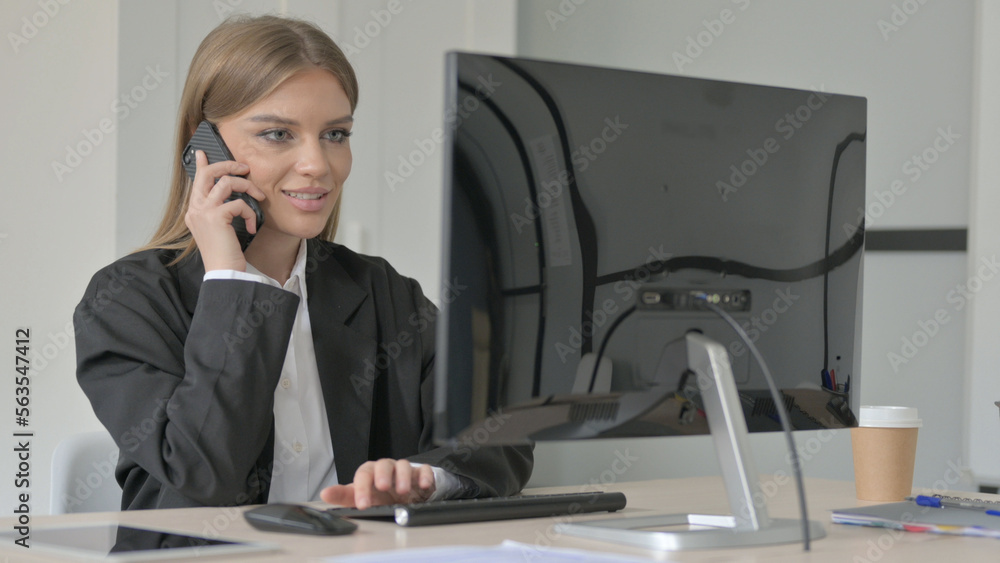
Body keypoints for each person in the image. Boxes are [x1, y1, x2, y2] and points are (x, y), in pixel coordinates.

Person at [73, 14, 532, 511]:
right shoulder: (128, 300)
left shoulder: (383, 292)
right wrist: (230, 279)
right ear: (202, 143)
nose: (318, 164)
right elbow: (203, 476)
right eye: (277, 134)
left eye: (335, 134)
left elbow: (502, 430)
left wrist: (425, 479)